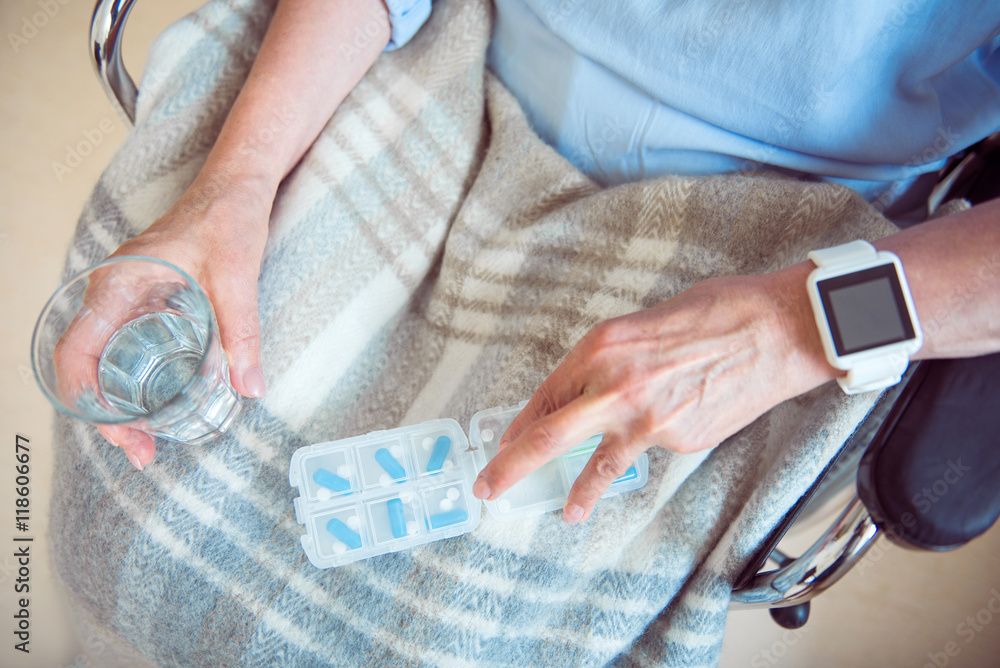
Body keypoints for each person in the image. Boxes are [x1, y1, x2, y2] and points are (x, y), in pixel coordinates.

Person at [101, 0, 1000, 530]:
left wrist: (802, 322)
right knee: (143, 503)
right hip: (453, 56)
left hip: (783, 234)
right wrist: (237, 182)